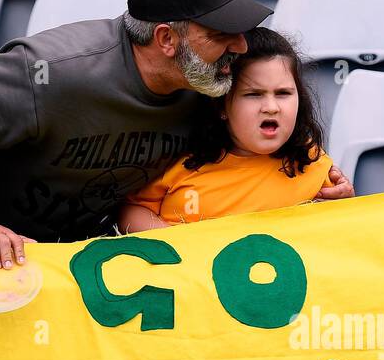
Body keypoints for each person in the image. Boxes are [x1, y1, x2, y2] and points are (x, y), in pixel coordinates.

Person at [0, 0, 354, 268]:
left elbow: (247, 155)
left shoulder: (209, 82)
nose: (240, 45)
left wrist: (319, 190)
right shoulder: (58, 69)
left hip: (72, 264)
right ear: (166, 39)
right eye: (220, 34)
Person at [120, 27, 332, 232]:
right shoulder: (179, 158)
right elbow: (133, 210)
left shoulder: (311, 160)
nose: (271, 107)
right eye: (253, 94)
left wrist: (342, 201)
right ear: (221, 106)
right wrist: (180, 244)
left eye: (283, 93)